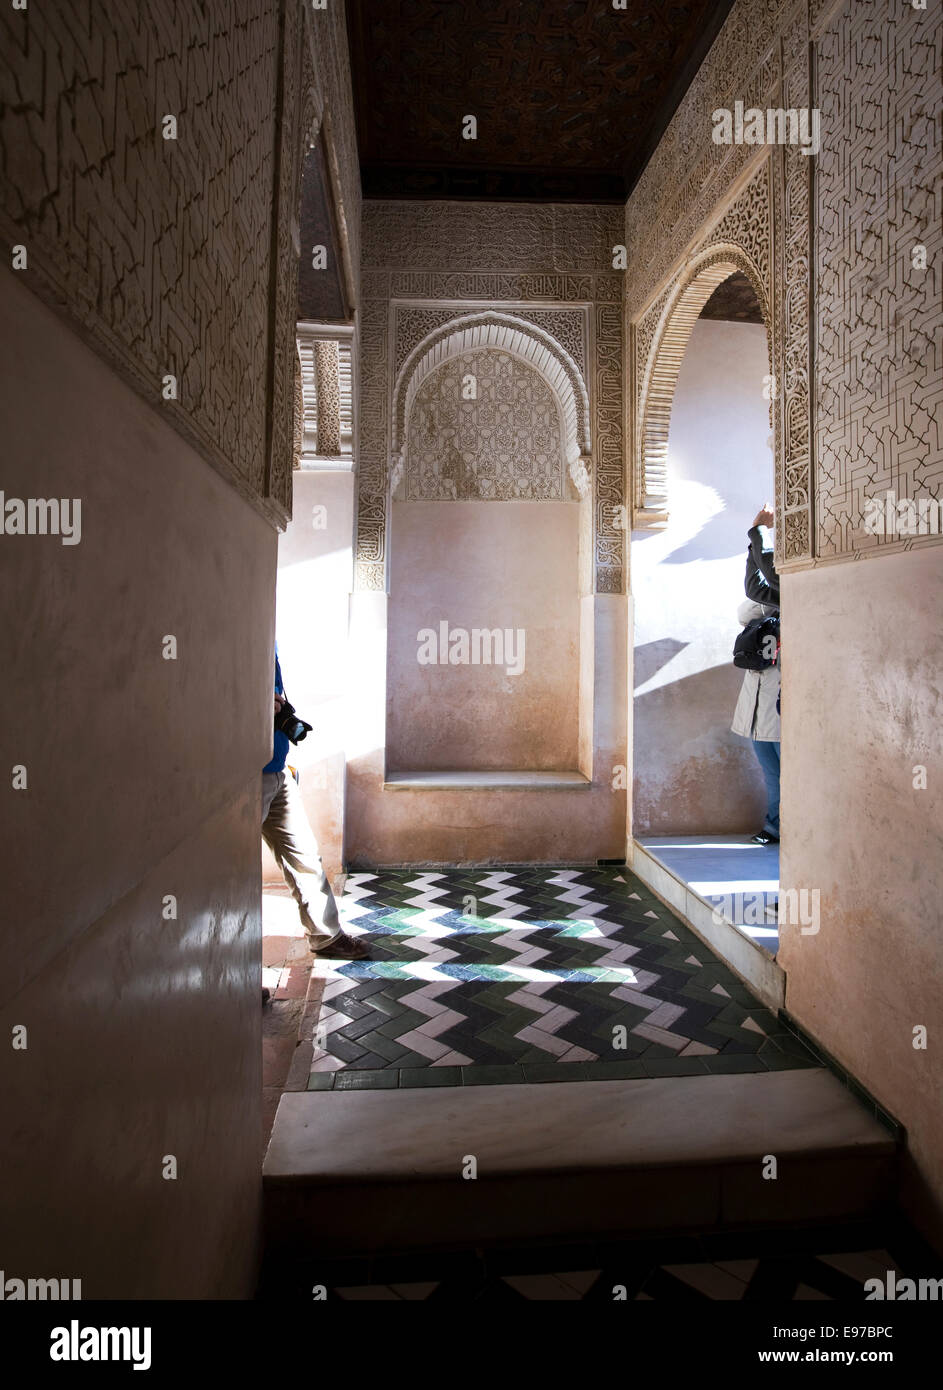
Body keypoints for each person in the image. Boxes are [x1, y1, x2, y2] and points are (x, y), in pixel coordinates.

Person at [262, 649, 368, 970]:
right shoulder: (237, 622)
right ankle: (236, 976)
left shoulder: (266, 629)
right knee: (231, 876)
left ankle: (327, 936)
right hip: (246, 771)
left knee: (305, 856)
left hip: (276, 768)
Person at [733, 505, 782, 845]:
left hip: (781, 700)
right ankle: (775, 824)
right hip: (760, 698)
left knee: (789, 770)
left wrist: (759, 533)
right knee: (771, 770)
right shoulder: (766, 606)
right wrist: (755, 541)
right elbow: (754, 588)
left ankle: (784, 826)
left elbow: (763, 584)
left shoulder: (794, 593)